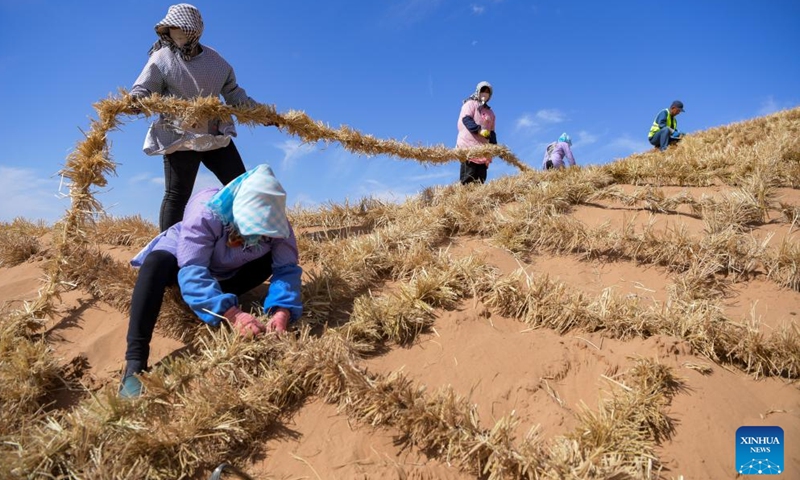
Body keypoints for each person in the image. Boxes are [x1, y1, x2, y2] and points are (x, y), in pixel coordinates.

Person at [119, 164, 303, 398]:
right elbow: (192, 269)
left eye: (264, 234)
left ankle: (215, 298)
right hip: (184, 260)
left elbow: (286, 269)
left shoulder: (278, 224)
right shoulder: (206, 211)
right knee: (155, 263)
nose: (258, 237)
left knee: (270, 261)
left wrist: (282, 311)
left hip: (229, 270)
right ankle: (135, 362)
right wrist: (231, 314)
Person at [130, 4, 260, 232]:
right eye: (170, 29)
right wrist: (135, 102)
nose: (175, 33)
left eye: (180, 28)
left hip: (213, 135)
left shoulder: (217, 62)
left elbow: (234, 94)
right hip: (179, 138)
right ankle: (168, 248)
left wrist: (260, 112)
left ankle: (253, 235)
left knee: (240, 185)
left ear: (195, 30)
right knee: (177, 195)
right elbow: (143, 88)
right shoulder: (162, 58)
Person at [456, 81, 497, 184]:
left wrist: (494, 147)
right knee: (468, 178)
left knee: (480, 179)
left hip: (482, 151)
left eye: (488, 92)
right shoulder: (470, 104)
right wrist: (479, 130)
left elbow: (492, 132)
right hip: (469, 148)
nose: (485, 93)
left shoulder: (490, 113)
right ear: (478, 91)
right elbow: (466, 119)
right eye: (483, 90)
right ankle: (465, 199)